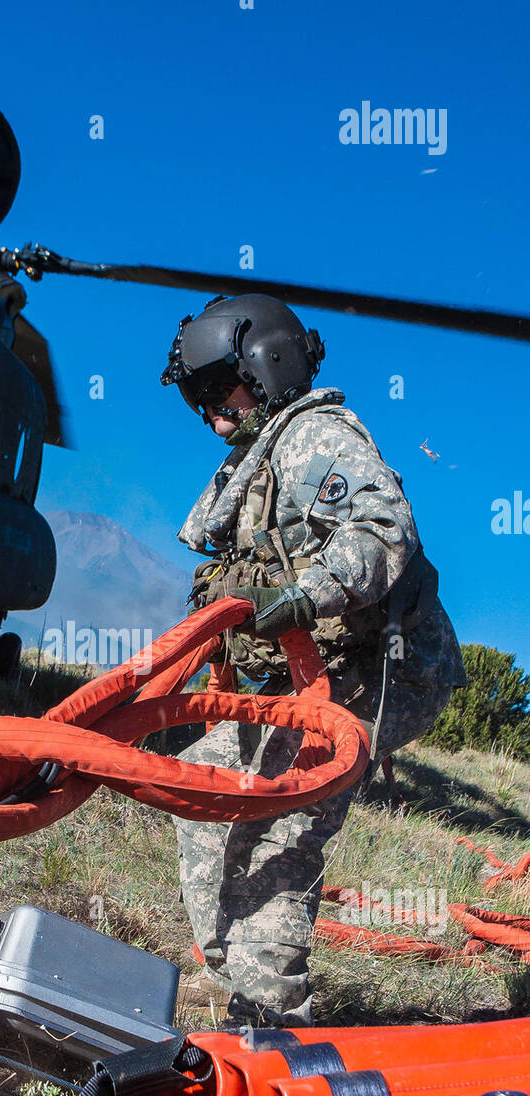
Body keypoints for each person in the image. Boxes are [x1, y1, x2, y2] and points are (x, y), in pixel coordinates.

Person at [161, 294, 466, 1028]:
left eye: (216, 391)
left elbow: (382, 527)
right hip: (307, 679)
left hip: (384, 670)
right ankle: (238, 983)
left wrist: (304, 596)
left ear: (265, 368)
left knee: (280, 824)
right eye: (196, 399)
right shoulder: (252, 468)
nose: (210, 414)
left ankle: (272, 1031)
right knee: (204, 799)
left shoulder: (313, 437)